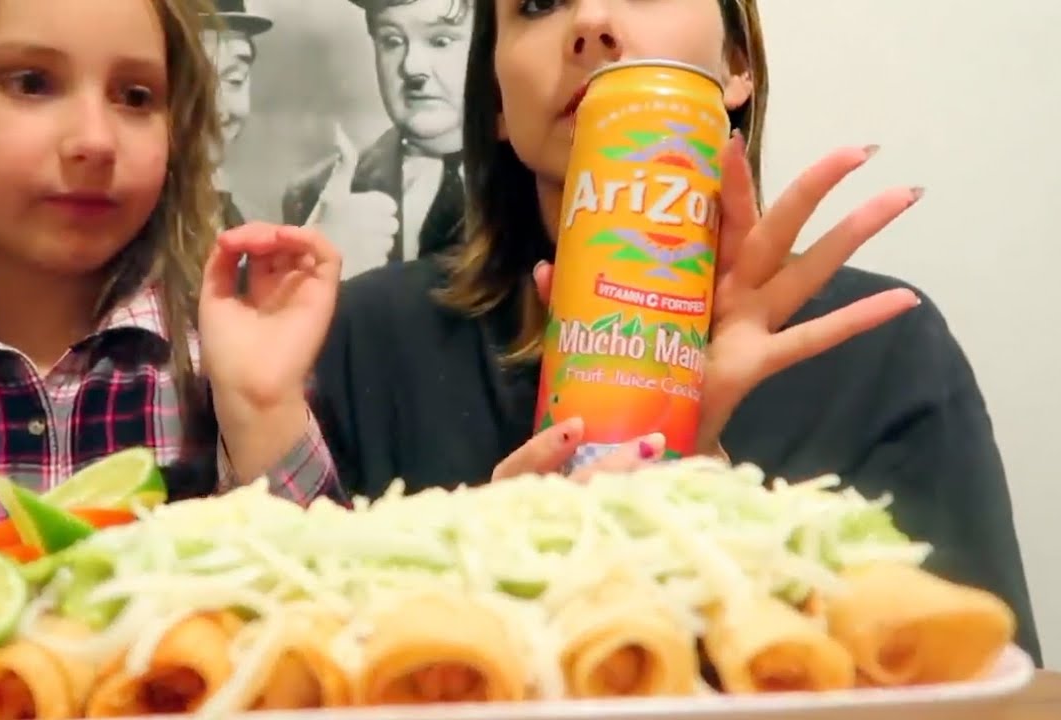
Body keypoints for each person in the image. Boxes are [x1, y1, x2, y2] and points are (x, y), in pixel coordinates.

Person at [313, 0, 1042, 663]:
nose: (591, 21)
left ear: (736, 66)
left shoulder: (884, 349)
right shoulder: (365, 335)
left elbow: (985, 680)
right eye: (536, 3)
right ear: (496, 103)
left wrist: (719, 529)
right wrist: (500, 558)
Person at [0, 0, 345, 541]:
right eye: (31, 82)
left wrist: (261, 408)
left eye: (136, 95)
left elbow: (332, 619)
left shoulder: (224, 367)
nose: (96, 142)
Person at [282, 0, 471, 278]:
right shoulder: (316, 198)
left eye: (440, 41)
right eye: (392, 41)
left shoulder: (545, 179)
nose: (412, 67)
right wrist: (319, 276)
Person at [202, 0, 272, 229]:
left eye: (234, 80)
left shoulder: (244, 219)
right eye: (195, 82)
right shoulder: (122, 222)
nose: (218, 108)